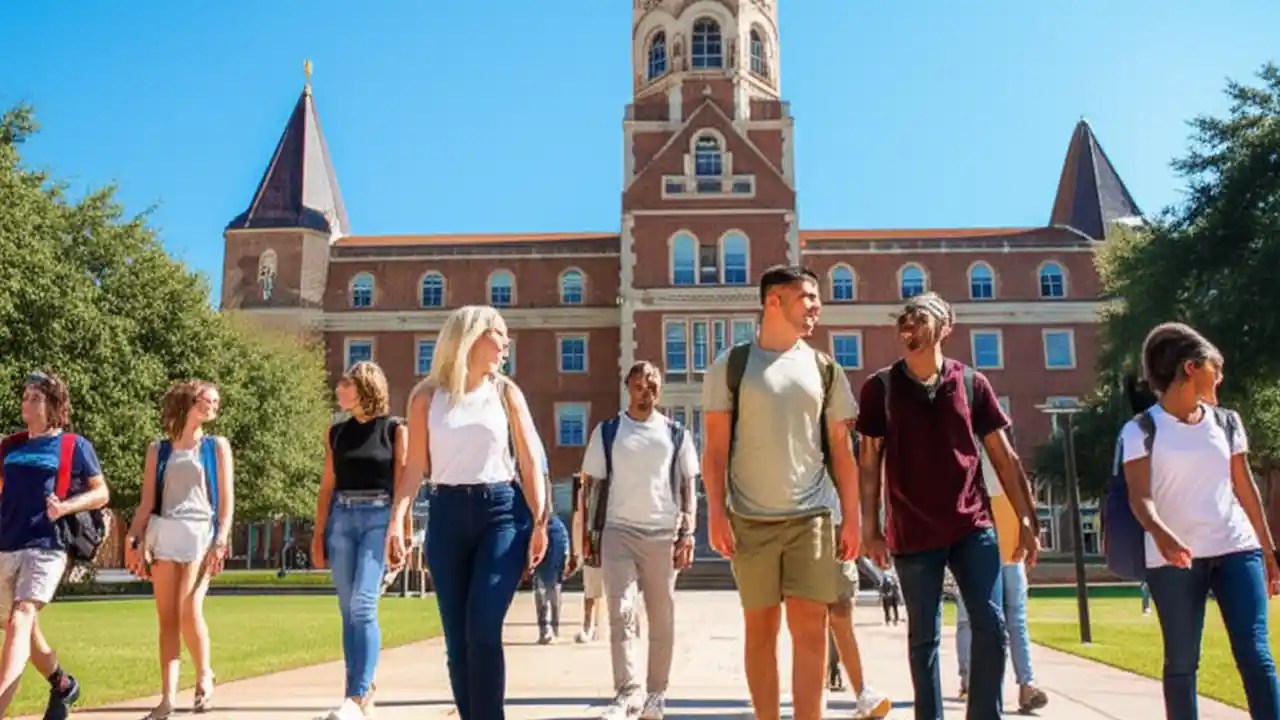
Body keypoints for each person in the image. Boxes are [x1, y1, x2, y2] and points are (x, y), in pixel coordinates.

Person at [856, 292, 1040, 720]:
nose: (911, 324)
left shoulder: (973, 384)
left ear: (946, 327)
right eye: (905, 317)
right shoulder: (879, 388)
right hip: (912, 531)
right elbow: (869, 464)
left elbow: (1004, 457)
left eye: (922, 316)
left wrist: (1027, 520)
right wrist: (870, 527)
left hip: (972, 526)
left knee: (992, 625)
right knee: (924, 638)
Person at [702, 265, 861, 720]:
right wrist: (716, 512)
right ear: (774, 301)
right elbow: (713, 450)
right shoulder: (731, 366)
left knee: (810, 631)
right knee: (760, 632)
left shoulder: (824, 368)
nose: (816, 306)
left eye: (817, 297)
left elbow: (841, 451)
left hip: (810, 518)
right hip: (750, 521)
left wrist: (852, 518)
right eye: (807, 297)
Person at [390, 305, 549, 720]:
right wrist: (397, 519)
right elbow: (413, 470)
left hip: (501, 514)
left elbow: (530, 462)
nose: (505, 342)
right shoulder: (426, 396)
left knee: (482, 628)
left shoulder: (505, 392)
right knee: (458, 641)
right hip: (446, 514)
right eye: (499, 333)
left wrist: (541, 521)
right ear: (472, 337)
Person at [1120, 322, 1280, 719]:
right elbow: (1139, 497)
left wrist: (1267, 548)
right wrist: (1163, 535)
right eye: (1216, 368)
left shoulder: (1227, 422)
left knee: (1256, 654)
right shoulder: (1141, 429)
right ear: (1191, 368)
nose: (1221, 377)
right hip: (1174, 560)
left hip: (1235, 547)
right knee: (1181, 663)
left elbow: (1245, 490)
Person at [580, 361, 699, 720]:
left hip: (662, 534)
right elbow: (592, 486)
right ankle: (626, 693)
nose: (645, 391)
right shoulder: (609, 431)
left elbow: (688, 483)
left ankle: (655, 695)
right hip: (618, 531)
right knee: (621, 612)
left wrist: (688, 531)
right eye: (638, 385)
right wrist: (589, 534)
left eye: (652, 385)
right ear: (627, 387)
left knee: (661, 618)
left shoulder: (676, 433)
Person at [0, 371, 109, 718]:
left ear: (54, 406)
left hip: (47, 543)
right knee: (21, 628)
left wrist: (66, 506)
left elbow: (102, 493)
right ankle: (62, 684)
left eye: (35, 397)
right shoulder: (10, 446)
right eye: (25, 396)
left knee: (22, 616)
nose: (26, 402)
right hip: (7, 541)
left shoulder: (73, 445)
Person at [123, 380, 234, 719]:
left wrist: (221, 540)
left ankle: (204, 676)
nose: (214, 404)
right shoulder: (159, 449)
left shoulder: (216, 446)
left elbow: (226, 503)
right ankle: (167, 699)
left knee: (189, 610)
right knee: (167, 618)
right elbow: (145, 504)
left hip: (200, 533)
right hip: (165, 534)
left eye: (217, 400)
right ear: (189, 401)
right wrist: (132, 540)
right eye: (207, 399)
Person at [310, 361, 407, 720]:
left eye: (345, 385)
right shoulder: (335, 433)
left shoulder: (395, 430)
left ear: (365, 388)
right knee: (348, 612)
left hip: (379, 518)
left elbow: (402, 487)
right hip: (342, 520)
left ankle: (357, 694)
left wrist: (402, 535)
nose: (338, 390)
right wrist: (319, 533)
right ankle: (356, 697)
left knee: (364, 606)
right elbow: (326, 486)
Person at [954, 449, 1048, 712]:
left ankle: (1027, 685)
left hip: (1011, 551)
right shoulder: (962, 459)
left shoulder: (1007, 460)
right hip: (973, 553)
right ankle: (969, 680)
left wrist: (1028, 533)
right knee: (970, 619)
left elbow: (1023, 502)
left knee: (1016, 619)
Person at [570, 473, 605, 643]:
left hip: (615, 535)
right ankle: (589, 624)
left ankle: (598, 625)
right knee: (591, 584)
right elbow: (579, 518)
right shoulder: (584, 487)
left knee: (622, 583)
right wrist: (577, 549)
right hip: (593, 539)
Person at [533, 512, 570, 644]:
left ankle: (548, 630)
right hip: (550, 569)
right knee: (550, 596)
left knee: (546, 596)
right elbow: (565, 546)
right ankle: (550, 630)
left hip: (549, 568)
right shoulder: (558, 526)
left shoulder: (556, 526)